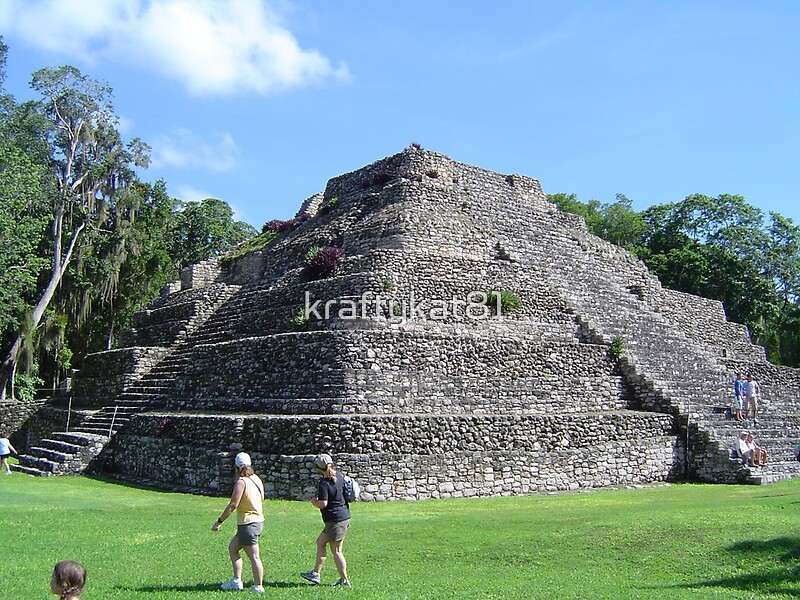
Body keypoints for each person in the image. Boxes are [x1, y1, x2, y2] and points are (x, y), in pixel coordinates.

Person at [212, 452, 265, 594]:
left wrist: (219, 521)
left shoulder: (242, 482)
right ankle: (236, 580)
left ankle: (258, 586)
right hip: (258, 521)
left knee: (254, 556)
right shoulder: (256, 479)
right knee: (233, 548)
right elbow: (262, 498)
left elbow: (233, 505)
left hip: (248, 524)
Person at [300, 453, 351, 588]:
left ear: (319, 468)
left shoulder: (324, 482)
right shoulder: (339, 476)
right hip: (342, 517)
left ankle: (344, 580)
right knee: (321, 542)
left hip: (335, 520)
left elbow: (323, 503)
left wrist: (313, 502)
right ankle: (316, 573)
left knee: (337, 551)